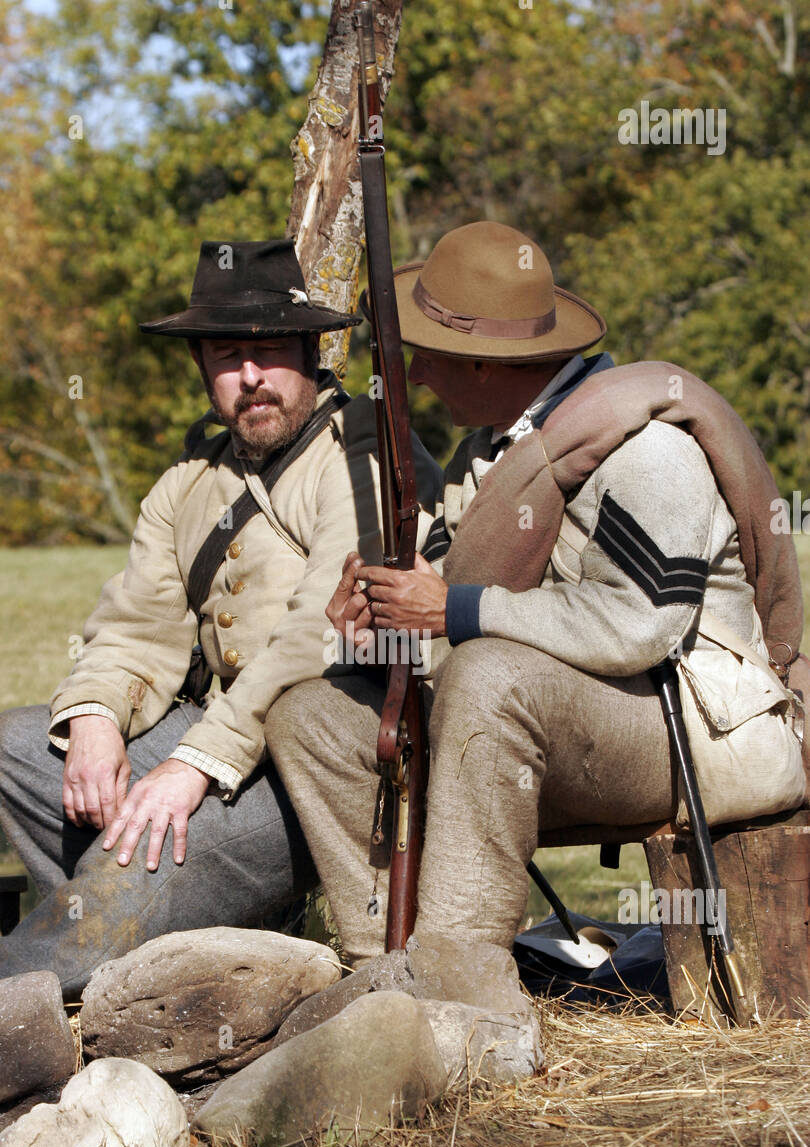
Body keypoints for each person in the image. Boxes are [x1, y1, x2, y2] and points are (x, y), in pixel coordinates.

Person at [264, 221, 806, 964]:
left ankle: (460, 974)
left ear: (485, 364)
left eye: (427, 355)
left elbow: (640, 625)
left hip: (690, 730)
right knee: (312, 716)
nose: (414, 377)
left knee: (494, 678)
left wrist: (451, 610)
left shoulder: (652, 452)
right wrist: (387, 616)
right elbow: (453, 599)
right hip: (549, 720)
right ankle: (380, 971)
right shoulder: (489, 454)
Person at [0, 237, 441, 1002]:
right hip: (223, 740)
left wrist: (194, 763)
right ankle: (129, 950)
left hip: (326, 757)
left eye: (270, 350)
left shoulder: (365, 456)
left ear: (312, 353)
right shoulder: (187, 485)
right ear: (201, 365)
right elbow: (136, 628)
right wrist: (98, 718)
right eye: (225, 354)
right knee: (14, 749)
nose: (249, 377)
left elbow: (320, 627)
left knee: (127, 868)